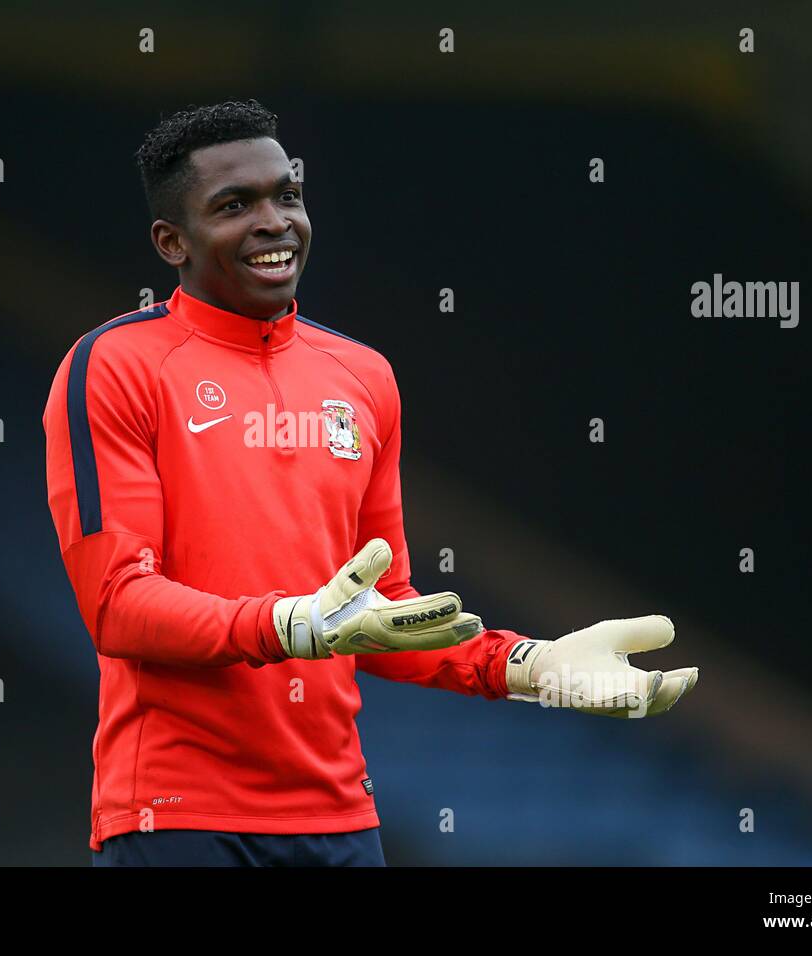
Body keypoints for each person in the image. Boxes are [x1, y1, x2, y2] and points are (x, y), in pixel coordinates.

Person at [42, 99, 698, 867]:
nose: (274, 221)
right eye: (234, 205)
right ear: (171, 242)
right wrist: (289, 624)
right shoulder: (116, 366)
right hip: (179, 820)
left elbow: (381, 616)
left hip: (340, 821)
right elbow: (117, 605)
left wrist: (528, 666)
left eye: (286, 194)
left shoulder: (362, 376)